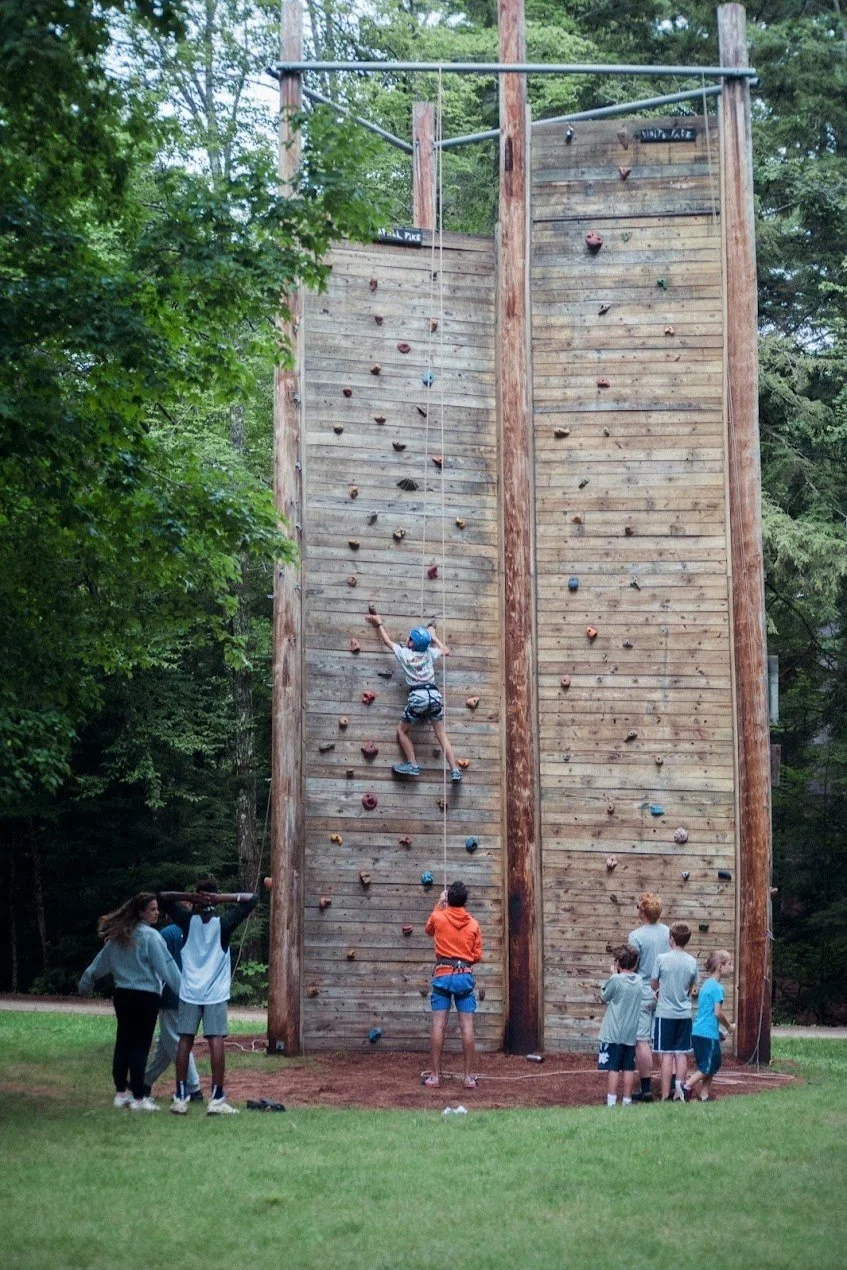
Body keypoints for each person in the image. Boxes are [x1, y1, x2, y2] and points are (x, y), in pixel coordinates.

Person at [160, 876, 260, 1116]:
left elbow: (161, 897)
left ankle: (180, 1096)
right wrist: (220, 899)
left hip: (190, 991)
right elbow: (253, 899)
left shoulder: (186, 922)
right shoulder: (224, 925)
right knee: (216, 1040)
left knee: (185, 1040)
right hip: (214, 993)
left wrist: (191, 898)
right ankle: (216, 1098)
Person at [78, 892, 181, 1112]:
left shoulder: (119, 936)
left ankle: (120, 1093)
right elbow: (167, 967)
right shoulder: (152, 938)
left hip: (123, 995)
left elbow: (100, 964)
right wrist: (183, 993)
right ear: (141, 912)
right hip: (146, 997)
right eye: (152, 909)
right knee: (140, 1045)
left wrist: (85, 983)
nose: (157, 912)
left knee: (124, 1041)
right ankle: (139, 1097)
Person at [365, 611, 461, 781]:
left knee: (401, 731)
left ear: (411, 642)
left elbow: (387, 642)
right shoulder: (430, 653)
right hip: (434, 696)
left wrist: (379, 623)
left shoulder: (405, 654)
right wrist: (434, 637)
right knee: (441, 734)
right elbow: (446, 651)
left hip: (418, 697)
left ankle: (413, 765)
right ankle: (454, 769)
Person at [423, 881, 482, 1090]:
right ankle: (468, 1078)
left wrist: (439, 905)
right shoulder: (473, 924)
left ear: (448, 899)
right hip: (463, 976)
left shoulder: (438, 917)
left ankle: (434, 1077)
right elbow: (477, 956)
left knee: (438, 1025)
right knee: (467, 1027)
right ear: (465, 901)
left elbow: (428, 929)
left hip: (442, 975)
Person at [142, 917, 202, 1102]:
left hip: (172, 996)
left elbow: (157, 964)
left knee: (176, 1043)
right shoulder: (197, 931)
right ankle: (145, 1081)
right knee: (165, 1045)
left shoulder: (166, 934)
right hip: (192, 992)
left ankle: (193, 1088)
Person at [628, 891, 670, 1102]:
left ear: (643, 912)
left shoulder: (635, 936)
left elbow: (632, 965)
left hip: (643, 991)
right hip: (664, 992)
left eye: (638, 907)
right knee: (663, 1042)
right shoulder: (669, 932)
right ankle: (669, 1087)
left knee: (642, 1040)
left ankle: (646, 1090)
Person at [651, 922, 700, 1101]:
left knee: (666, 1055)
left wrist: (659, 991)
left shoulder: (661, 959)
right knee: (681, 1054)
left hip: (665, 1013)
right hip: (684, 1014)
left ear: (671, 938)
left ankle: (665, 1094)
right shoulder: (692, 961)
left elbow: (654, 982)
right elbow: (694, 986)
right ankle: (679, 1094)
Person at [682, 950, 736, 1102]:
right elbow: (717, 1013)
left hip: (700, 1032)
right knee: (708, 1065)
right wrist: (729, 1027)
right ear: (720, 966)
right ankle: (686, 1086)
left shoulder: (706, 985)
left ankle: (704, 1095)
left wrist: (718, 1031)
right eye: (729, 964)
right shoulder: (718, 988)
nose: (732, 968)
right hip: (706, 1034)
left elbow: (707, 1012)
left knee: (711, 1063)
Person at [597, 944, 643, 1106]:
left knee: (614, 1067)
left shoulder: (616, 979)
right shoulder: (639, 981)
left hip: (613, 1033)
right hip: (630, 1033)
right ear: (635, 964)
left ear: (617, 963)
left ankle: (611, 1101)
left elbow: (604, 996)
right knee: (629, 1067)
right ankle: (627, 1100)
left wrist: (612, 975)